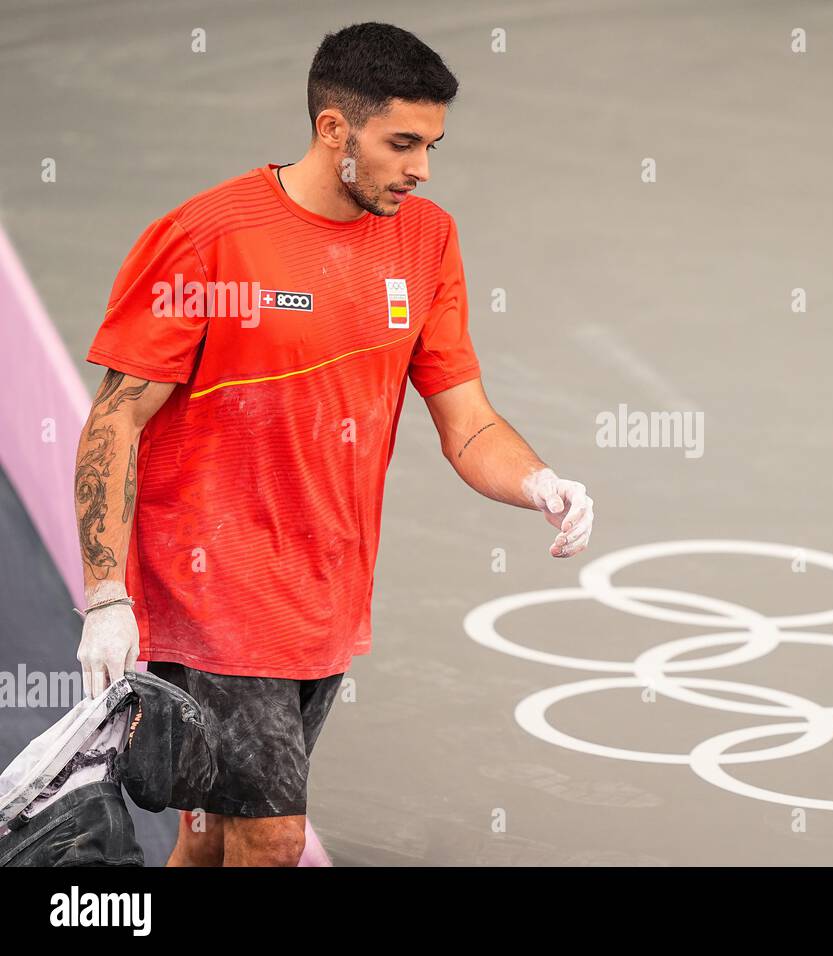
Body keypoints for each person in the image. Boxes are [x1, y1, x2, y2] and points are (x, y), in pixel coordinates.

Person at [71, 21, 595, 867]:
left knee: (212, 838)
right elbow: (116, 418)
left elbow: (469, 422)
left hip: (324, 592)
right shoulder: (208, 238)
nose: (422, 167)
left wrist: (539, 481)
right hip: (211, 586)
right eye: (403, 143)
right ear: (333, 131)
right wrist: (105, 594)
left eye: (432, 144)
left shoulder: (426, 240)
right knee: (273, 838)